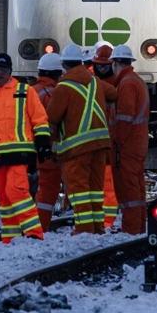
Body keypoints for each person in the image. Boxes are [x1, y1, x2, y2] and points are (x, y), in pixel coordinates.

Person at [0, 53, 49, 242]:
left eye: (4, 69)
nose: (0, 73)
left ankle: (34, 234)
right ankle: (10, 237)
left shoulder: (24, 91)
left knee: (17, 191)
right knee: (4, 197)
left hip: (20, 154)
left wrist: (43, 142)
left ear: (10, 71)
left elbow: (39, 118)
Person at [46, 45, 112, 234]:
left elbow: (52, 118)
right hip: (100, 143)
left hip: (76, 147)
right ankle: (98, 226)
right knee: (95, 187)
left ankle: (84, 229)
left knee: (79, 189)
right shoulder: (96, 82)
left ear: (64, 65)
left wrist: (51, 144)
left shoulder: (63, 87)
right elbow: (114, 94)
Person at [110, 45, 150, 234]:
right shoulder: (136, 81)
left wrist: (117, 142)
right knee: (137, 186)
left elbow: (124, 118)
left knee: (128, 188)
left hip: (128, 145)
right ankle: (139, 225)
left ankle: (132, 228)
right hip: (138, 142)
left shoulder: (126, 84)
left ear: (115, 63)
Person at [31, 52, 64, 231]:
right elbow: (53, 122)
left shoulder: (30, 90)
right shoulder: (52, 93)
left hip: (25, 147)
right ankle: (41, 225)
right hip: (46, 148)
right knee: (48, 186)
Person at [90, 45, 120, 229]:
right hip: (99, 142)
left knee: (108, 184)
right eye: (98, 66)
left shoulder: (111, 84)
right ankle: (103, 218)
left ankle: (108, 220)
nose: (101, 69)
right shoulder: (99, 84)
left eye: (104, 66)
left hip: (108, 142)